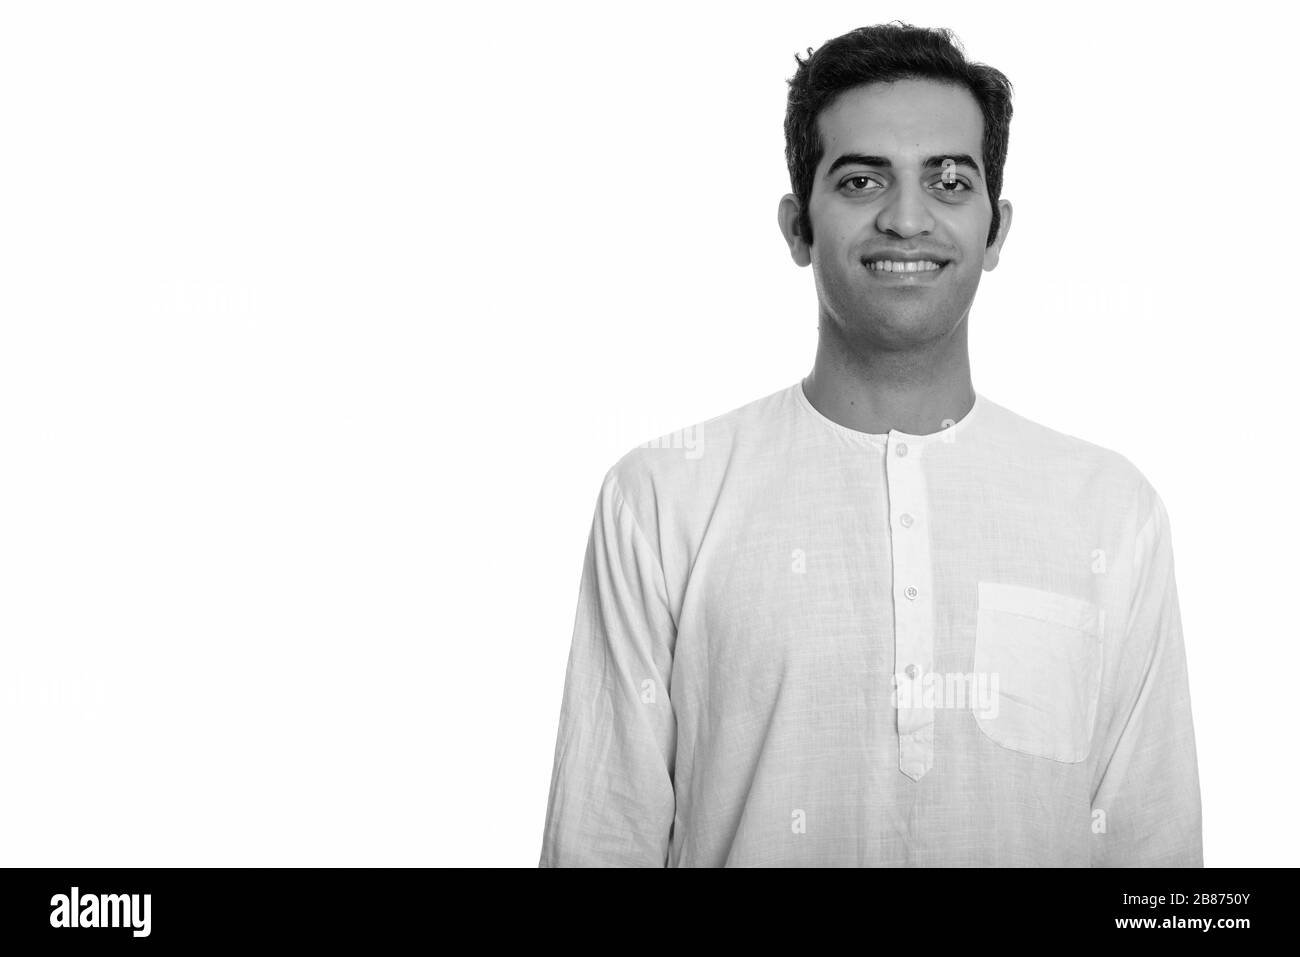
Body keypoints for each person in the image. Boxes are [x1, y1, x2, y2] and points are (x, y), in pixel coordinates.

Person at [538, 21, 1202, 867]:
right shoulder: (663, 498)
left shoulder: (1110, 511)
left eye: (949, 180)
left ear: (995, 230)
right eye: (860, 179)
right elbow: (601, 838)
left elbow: (1157, 861)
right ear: (797, 228)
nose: (906, 217)